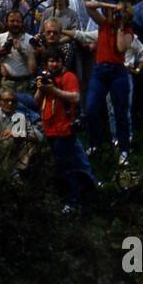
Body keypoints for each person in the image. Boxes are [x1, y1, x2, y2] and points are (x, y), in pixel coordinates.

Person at [35, 48, 95, 213]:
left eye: (57, 61)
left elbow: (75, 97)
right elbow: (37, 102)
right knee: (65, 165)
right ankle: (75, 196)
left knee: (67, 166)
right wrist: (42, 88)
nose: (54, 64)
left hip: (64, 129)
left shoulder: (68, 77)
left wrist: (53, 90)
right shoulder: (46, 78)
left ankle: (74, 201)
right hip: (50, 129)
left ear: (62, 62)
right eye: (51, 61)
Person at [81, 0, 134, 164]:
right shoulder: (103, 23)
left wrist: (120, 26)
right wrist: (112, 6)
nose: (118, 15)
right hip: (99, 71)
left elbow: (120, 48)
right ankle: (95, 144)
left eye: (122, 14)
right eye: (117, 13)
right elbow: (88, 6)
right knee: (90, 108)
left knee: (120, 112)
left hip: (118, 72)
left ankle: (124, 149)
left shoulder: (128, 32)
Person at [0, 10, 39, 119]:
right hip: (6, 83)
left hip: (24, 83)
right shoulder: (1, 38)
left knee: (23, 115)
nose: (15, 24)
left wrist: (21, 50)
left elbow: (33, 68)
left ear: (22, 23)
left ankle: (21, 135)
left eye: (18, 21)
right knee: (4, 115)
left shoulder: (30, 39)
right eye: (12, 21)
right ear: (6, 22)